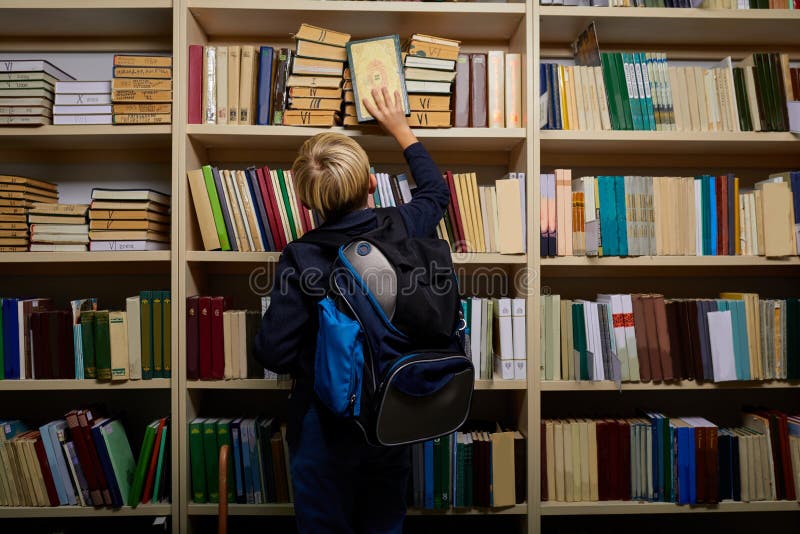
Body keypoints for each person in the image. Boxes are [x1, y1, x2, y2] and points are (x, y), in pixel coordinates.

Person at [254, 87, 450, 534]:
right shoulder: (400, 224)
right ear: (371, 183)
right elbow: (436, 193)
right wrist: (399, 127)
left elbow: (273, 353)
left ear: (306, 203)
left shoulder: (301, 256)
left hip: (325, 423)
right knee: (384, 524)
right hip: (394, 411)